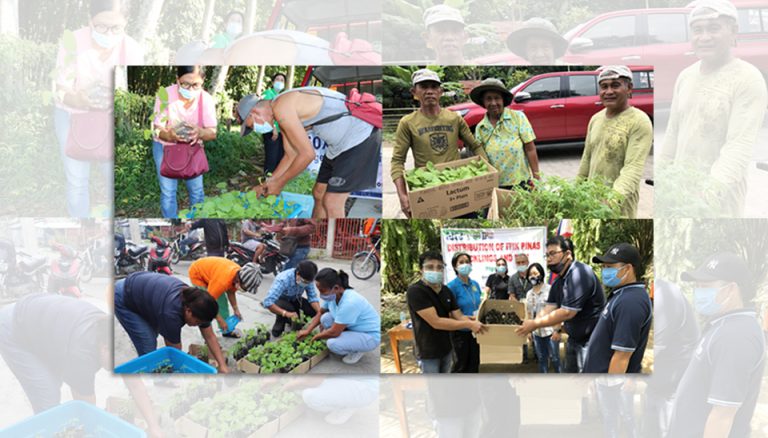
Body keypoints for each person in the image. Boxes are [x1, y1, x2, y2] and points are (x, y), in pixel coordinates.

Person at [0, 294, 164, 437]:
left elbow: (135, 385)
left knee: (55, 383)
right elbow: (86, 408)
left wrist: (154, 427)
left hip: (43, 323)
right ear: (104, 348)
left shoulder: (116, 335)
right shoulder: (82, 355)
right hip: (14, 329)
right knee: (48, 402)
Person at [659, 0, 768, 216]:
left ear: (733, 31)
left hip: (719, 198)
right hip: (678, 193)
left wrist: (708, 194)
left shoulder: (747, 78)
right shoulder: (686, 76)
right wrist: (662, 178)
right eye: (697, 30)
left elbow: (738, 146)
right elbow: (672, 134)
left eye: (714, 28)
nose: (704, 37)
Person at [53, 0, 144, 217]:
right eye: (101, 26)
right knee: (77, 180)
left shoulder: (131, 49)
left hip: (110, 120)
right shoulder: (73, 41)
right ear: (90, 20)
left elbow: (133, 94)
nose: (109, 34)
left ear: (126, 23)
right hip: (72, 115)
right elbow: (60, 87)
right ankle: (81, 228)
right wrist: (77, 100)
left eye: (116, 28)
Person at [237, 86, 380, 218]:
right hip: (338, 146)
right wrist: (267, 184)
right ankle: (317, 230)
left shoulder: (282, 108)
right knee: (319, 193)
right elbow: (290, 154)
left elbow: (307, 155)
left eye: (252, 126)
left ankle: (336, 236)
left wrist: (279, 184)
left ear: (254, 113)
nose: (256, 129)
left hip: (359, 137)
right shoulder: (280, 111)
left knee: (332, 202)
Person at [667, 252, 765, 437]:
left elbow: (722, 415)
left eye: (705, 286)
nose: (698, 292)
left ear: (731, 289)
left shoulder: (737, 336)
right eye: (697, 286)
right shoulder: (724, 325)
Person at [391, 69, 489, 217]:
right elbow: (397, 161)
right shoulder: (407, 123)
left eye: (434, 86)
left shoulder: (454, 119)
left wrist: (487, 174)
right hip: (428, 190)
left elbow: (475, 146)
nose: (429, 91)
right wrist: (403, 195)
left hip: (458, 188)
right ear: (414, 92)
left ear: (440, 92)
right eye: (424, 87)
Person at [515, 236, 605, 373]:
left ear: (568, 254)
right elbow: (549, 308)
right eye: (547, 255)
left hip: (591, 341)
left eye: (553, 253)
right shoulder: (559, 281)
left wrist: (535, 324)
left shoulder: (579, 273)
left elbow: (567, 312)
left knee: (587, 382)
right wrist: (532, 323)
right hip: (574, 339)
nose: (549, 259)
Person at [576, 65, 653, 218]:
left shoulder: (639, 121)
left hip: (619, 205)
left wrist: (611, 200)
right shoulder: (595, 119)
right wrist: (576, 191)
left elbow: (633, 168)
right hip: (590, 201)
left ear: (629, 88)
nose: (609, 91)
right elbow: (587, 159)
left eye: (615, 85)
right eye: (604, 86)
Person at [113, 271, 228, 373]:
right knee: (148, 347)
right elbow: (175, 352)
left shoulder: (199, 304)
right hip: (124, 296)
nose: (197, 325)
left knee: (152, 335)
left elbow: (210, 337)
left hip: (143, 290)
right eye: (197, 322)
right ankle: (151, 381)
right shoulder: (171, 314)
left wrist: (222, 365)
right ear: (188, 311)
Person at [152, 66, 218, 218]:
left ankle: (196, 222)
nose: (190, 89)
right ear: (177, 80)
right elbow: (156, 129)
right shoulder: (165, 95)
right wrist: (169, 136)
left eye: (196, 85)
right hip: (165, 147)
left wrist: (201, 132)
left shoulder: (206, 99)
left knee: (197, 191)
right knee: (168, 192)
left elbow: (212, 132)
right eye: (185, 84)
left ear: (203, 81)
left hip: (192, 148)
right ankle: (172, 222)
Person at [406, 251, 487, 373]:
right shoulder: (416, 291)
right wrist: (469, 324)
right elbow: (436, 322)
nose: (435, 270)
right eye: (430, 267)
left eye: (439, 267)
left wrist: (473, 320)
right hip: (428, 351)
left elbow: (458, 315)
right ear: (421, 270)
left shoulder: (445, 291)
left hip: (446, 347)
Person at [583, 243, 653, 373]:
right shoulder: (622, 294)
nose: (604, 271)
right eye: (604, 266)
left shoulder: (631, 302)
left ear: (628, 269)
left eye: (609, 267)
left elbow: (621, 357)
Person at [298, 268, 380, 365]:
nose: (320, 295)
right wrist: (308, 330)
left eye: (322, 291)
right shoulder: (334, 296)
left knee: (332, 343)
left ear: (336, 288)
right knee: (325, 318)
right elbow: (321, 312)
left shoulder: (350, 302)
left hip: (369, 335)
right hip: (354, 327)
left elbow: (334, 332)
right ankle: (350, 340)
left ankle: (356, 350)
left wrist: (316, 337)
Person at [471, 78, 540, 190]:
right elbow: (482, 159)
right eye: (488, 99)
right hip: (495, 185)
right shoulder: (481, 128)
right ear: (483, 102)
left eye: (497, 98)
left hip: (521, 183)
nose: (493, 103)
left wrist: (537, 178)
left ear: (503, 99)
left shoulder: (518, 118)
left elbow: (530, 149)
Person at [188, 258, 261, 336]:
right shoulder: (222, 282)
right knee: (204, 308)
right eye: (245, 288)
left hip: (214, 276)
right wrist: (220, 320)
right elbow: (207, 302)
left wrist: (236, 309)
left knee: (222, 303)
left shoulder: (238, 275)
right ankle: (208, 336)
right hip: (198, 274)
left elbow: (231, 291)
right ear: (239, 280)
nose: (245, 290)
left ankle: (225, 329)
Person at [262, 260, 322, 337]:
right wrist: (286, 313)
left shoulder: (308, 279)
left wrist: (320, 313)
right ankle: (282, 321)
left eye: (308, 282)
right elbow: (267, 302)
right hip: (281, 301)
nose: (306, 284)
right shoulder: (283, 279)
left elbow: (312, 297)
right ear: (298, 273)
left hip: (295, 298)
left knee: (312, 310)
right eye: (304, 281)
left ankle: (295, 323)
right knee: (288, 312)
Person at [445, 252, 482, 373]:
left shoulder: (475, 284)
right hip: (460, 332)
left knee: (474, 363)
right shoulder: (451, 287)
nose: (465, 264)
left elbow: (479, 303)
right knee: (461, 365)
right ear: (455, 267)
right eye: (461, 262)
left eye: (467, 262)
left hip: (475, 331)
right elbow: (448, 312)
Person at [524, 263, 561, 373]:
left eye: (535, 273)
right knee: (541, 359)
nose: (533, 276)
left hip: (550, 331)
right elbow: (529, 313)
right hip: (537, 333)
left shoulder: (550, 290)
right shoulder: (529, 294)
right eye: (530, 274)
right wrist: (529, 331)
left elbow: (558, 310)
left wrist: (557, 330)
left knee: (555, 358)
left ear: (541, 274)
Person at [259, 72, 288, 174]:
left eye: (282, 80)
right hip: (270, 130)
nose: (279, 82)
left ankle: (274, 181)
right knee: (271, 158)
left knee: (279, 157)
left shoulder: (282, 96)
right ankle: (266, 180)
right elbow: (266, 112)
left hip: (281, 131)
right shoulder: (268, 93)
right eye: (277, 79)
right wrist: (274, 128)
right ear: (272, 82)